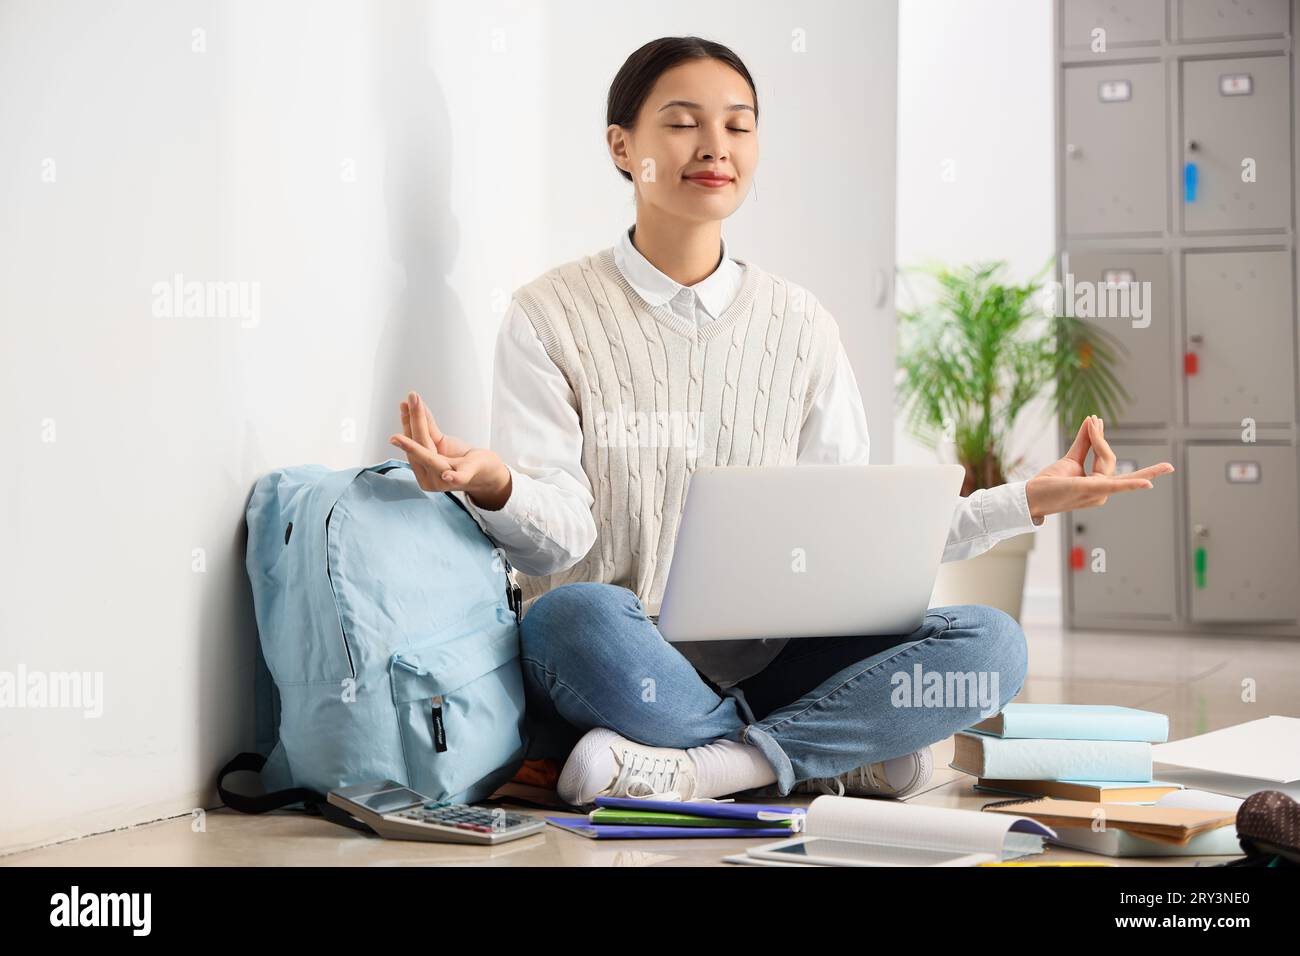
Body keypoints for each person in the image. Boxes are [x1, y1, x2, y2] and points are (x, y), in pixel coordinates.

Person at [389, 36, 1173, 806]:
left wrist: (1027, 499)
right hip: (624, 657)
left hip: (775, 656)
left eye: (738, 124)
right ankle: (833, 754)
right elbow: (559, 539)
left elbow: (859, 545)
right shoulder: (549, 315)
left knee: (991, 644)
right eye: (683, 121)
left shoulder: (801, 324)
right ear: (623, 147)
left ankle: (709, 769)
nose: (715, 146)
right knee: (569, 616)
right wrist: (496, 486)